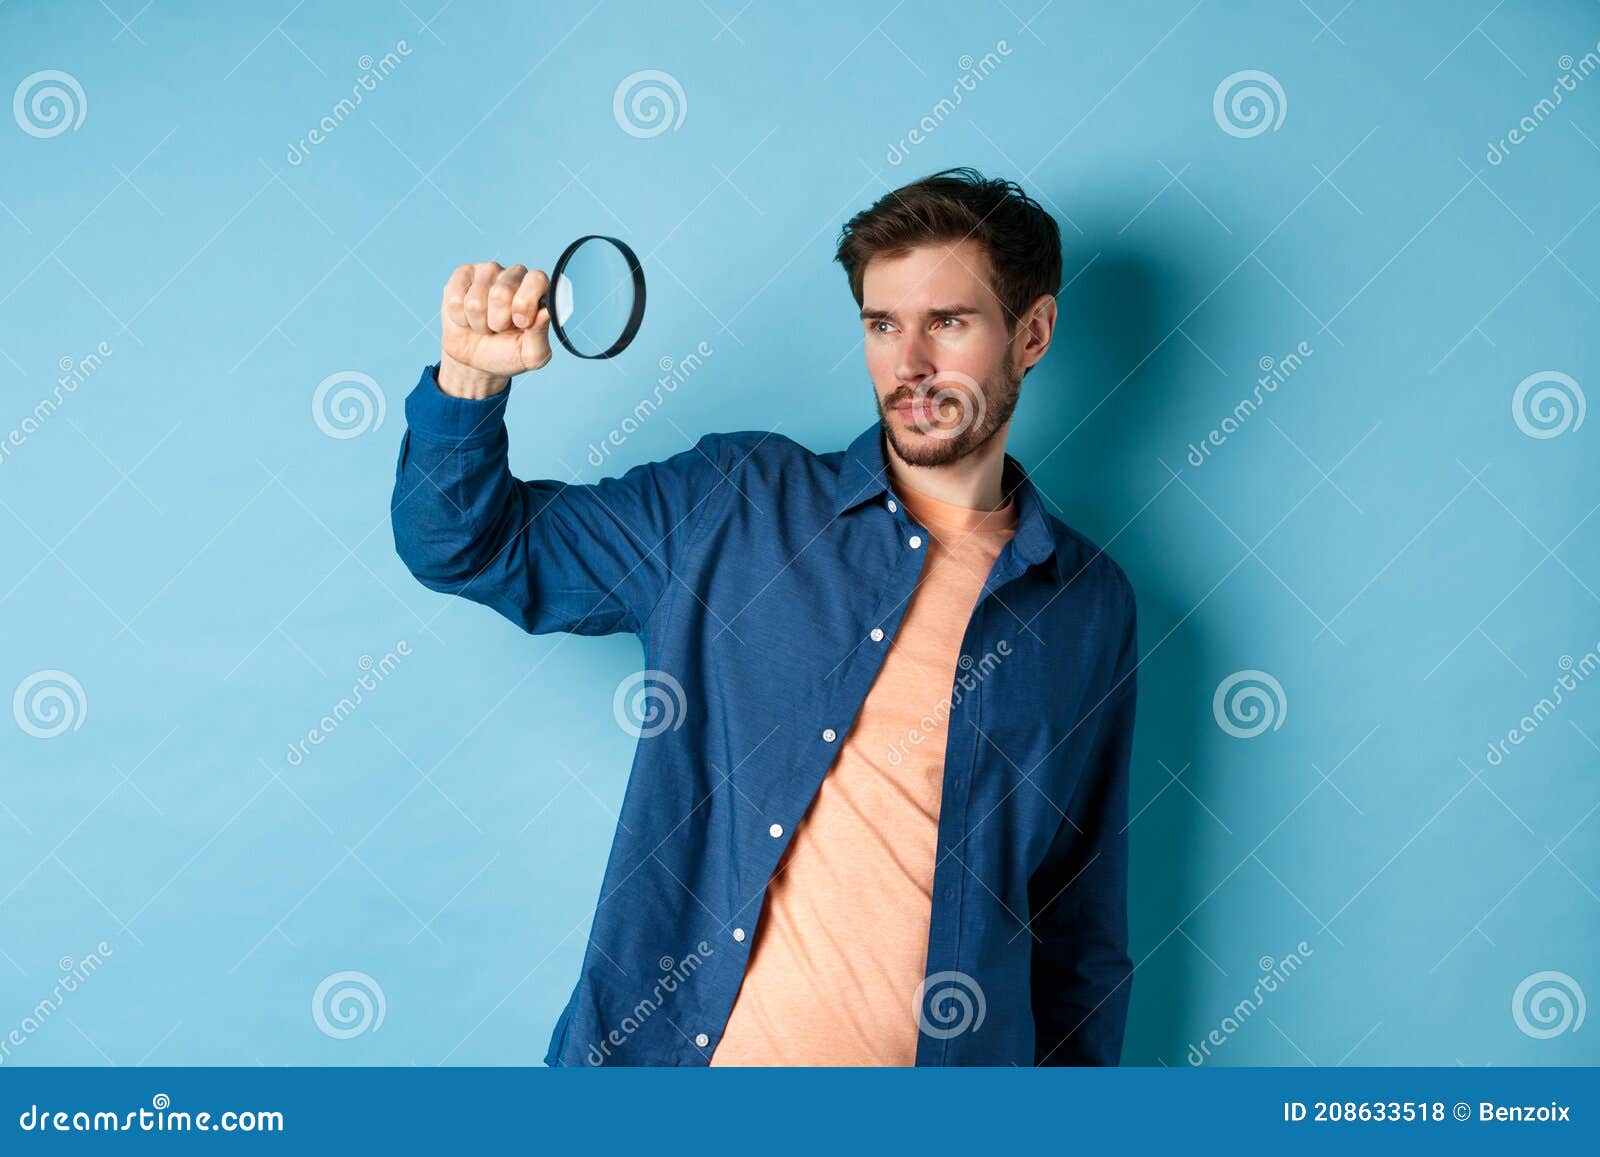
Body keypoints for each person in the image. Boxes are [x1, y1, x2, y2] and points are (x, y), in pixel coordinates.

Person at [390, 167, 1139, 1066]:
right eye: (882, 324)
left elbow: (1078, 927)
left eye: (948, 322)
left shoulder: (1087, 601)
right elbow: (466, 546)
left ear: (1033, 332)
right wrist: (468, 378)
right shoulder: (734, 504)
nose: (909, 363)